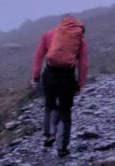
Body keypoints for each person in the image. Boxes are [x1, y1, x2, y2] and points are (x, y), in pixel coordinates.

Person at [31, 15, 88, 157]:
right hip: (67, 77)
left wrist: (35, 77)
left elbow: (38, 57)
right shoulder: (78, 39)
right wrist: (80, 83)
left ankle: (50, 133)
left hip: (49, 75)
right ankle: (62, 147)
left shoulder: (48, 35)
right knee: (65, 111)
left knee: (50, 104)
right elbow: (83, 63)